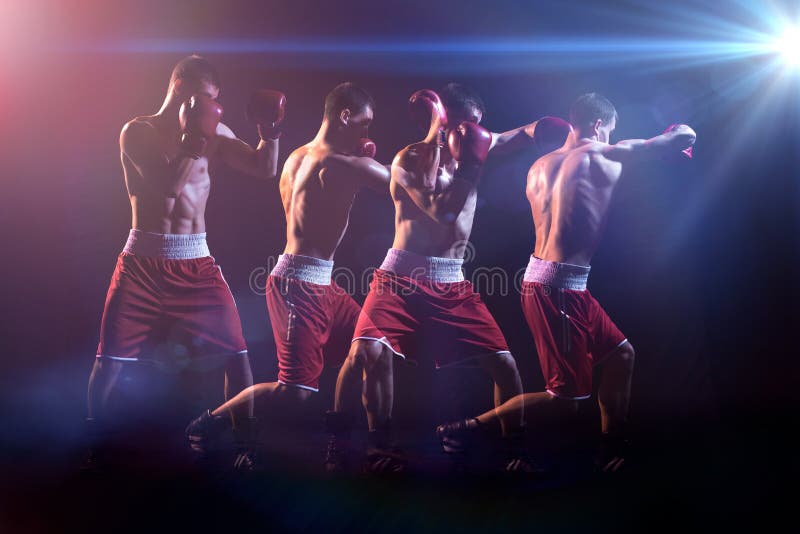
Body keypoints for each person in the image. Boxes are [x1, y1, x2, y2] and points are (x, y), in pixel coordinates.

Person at [436, 92, 697, 473]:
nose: (610, 137)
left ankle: (611, 451)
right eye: (609, 130)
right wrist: (674, 136)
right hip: (556, 289)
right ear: (597, 125)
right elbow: (684, 136)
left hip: (558, 283)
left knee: (622, 355)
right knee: (565, 398)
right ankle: (467, 428)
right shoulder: (605, 154)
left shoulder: (540, 165)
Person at [327, 85, 573, 473]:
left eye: (475, 128)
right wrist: (468, 162)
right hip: (401, 276)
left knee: (505, 365)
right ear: (442, 122)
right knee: (363, 354)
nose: (469, 134)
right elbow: (440, 213)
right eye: (460, 126)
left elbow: (520, 133)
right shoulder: (408, 158)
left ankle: (514, 451)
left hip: (451, 280)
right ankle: (350, 446)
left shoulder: (476, 146)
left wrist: (548, 129)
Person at [86, 55, 285, 467]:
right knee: (110, 362)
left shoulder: (213, 132)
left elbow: (263, 169)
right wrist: (194, 138)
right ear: (181, 91)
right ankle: (96, 443)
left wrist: (271, 131)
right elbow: (167, 191)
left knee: (237, 353)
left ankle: (244, 445)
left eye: (215, 102)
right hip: (142, 262)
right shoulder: (137, 132)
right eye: (206, 100)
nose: (212, 109)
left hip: (195, 259)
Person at [185, 82, 390, 469]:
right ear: (345, 116)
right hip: (298, 286)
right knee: (295, 391)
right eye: (364, 124)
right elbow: (405, 186)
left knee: (374, 348)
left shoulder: (298, 156)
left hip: (321, 281)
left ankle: (364, 447)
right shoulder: (339, 163)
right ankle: (208, 423)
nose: (367, 134)